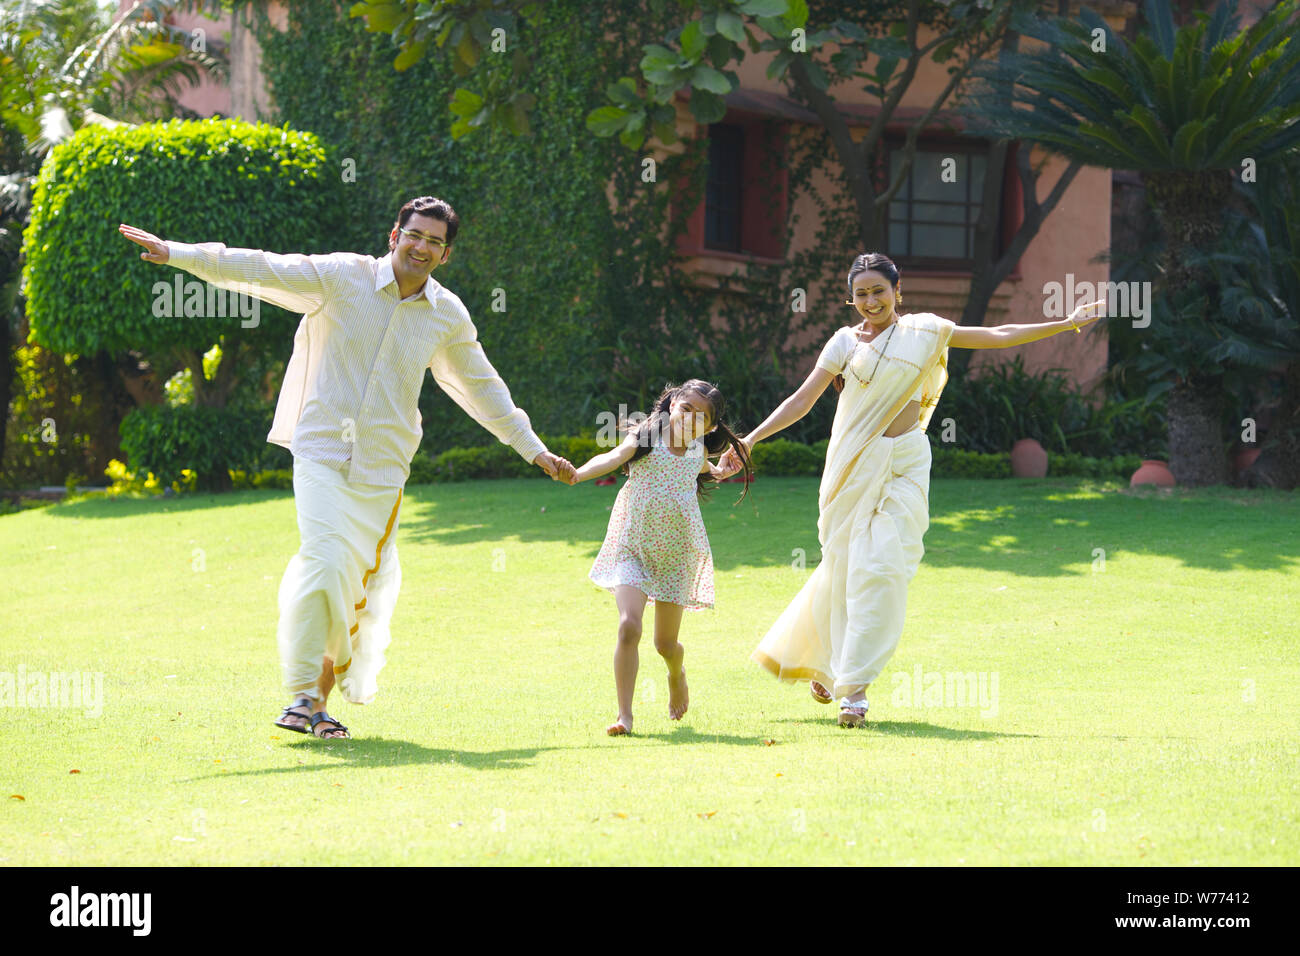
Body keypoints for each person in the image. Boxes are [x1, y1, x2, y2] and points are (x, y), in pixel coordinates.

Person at [119, 197, 575, 739]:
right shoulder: (342, 277)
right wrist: (178, 254)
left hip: (382, 470)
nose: (422, 247)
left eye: (435, 241)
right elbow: (264, 267)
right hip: (320, 451)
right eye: (415, 235)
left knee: (353, 584)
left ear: (446, 255)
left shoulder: (447, 315)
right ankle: (305, 698)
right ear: (394, 235)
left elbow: (480, 386)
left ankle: (317, 702)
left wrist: (533, 448)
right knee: (326, 558)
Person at [719, 253, 1103, 727]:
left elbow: (994, 336)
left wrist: (1064, 323)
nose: (871, 300)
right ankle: (830, 658)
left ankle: (852, 688)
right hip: (853, 465)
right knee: (845, 564)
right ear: (850, 298)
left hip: (907, 461)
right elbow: (802, 400)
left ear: (898, 292)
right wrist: (749, 440)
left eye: (879, 290)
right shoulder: (843, 343)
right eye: (861, 293)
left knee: (881, 565)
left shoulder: (925, 330)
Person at [564, 380, 752, 735]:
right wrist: (578, 474)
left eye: (701, 417)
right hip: (632, 548)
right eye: (686, 408)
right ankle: (625, 715)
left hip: (677, 555)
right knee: (628, 626)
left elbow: (707, 470)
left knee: (665, 644)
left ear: (710, 428)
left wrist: (724, 469)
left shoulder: (697, 453)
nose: (690, 419)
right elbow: (613, 457)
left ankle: (676, 674)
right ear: (671, 405)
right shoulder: (647, 439)